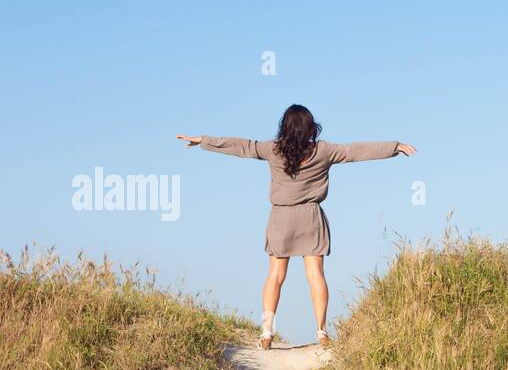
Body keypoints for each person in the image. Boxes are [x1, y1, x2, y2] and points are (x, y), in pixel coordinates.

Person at [177, 104, 415, 349]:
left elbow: (241, 145)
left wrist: (203, 140)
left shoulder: (272, 150)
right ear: (310, 127)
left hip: (281, 218)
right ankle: (322, 331)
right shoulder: (324, 151)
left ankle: (267, 332)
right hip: (310, 217)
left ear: (285, 126)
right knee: (316, 275)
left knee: (275, 276)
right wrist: (394, 146)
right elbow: (354, 151)